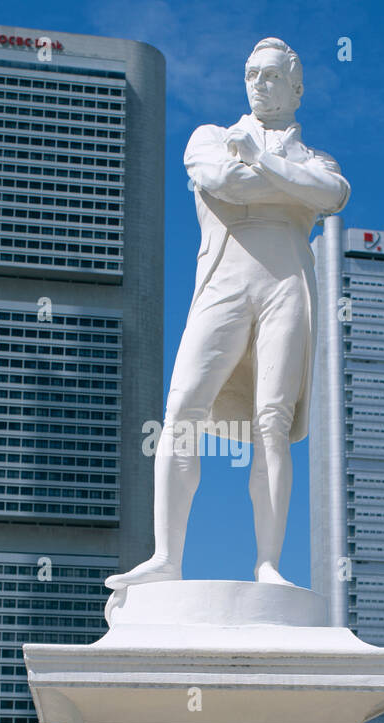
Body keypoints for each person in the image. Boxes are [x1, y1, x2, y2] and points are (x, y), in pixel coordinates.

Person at [106, 37, 349, 592]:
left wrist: (263, 160)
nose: (259, 84)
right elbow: (223, 181)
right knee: (183, 410)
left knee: (272, 424)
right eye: (251, 73)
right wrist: (288, 188)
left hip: (288, 285)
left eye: (270, 76)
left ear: (297, 89)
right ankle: (166, 556)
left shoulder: (315, 159)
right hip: (224, 281)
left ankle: (268, 565)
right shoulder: (211, 137)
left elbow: (332, 193)